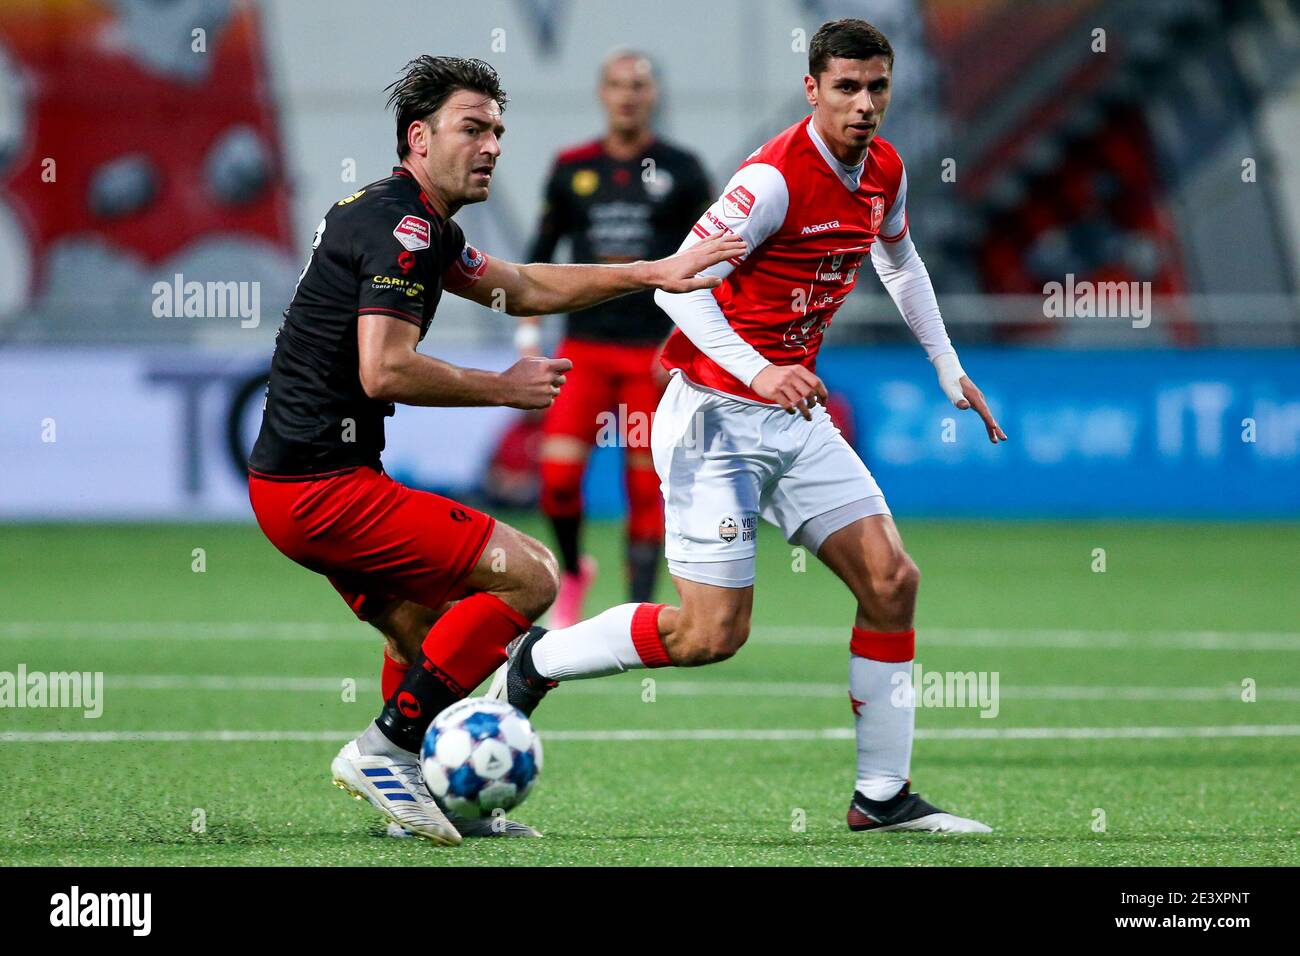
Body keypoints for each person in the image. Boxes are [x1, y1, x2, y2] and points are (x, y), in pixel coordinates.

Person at [492, 19, 1007, 834]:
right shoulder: (770, 180)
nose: (864, 104)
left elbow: (899, 262)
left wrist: (947, 367)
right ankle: (535, 659)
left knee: (892, 581)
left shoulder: (886, 171)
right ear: (813, 89)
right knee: (708, 636)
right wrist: (761, 368)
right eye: (846, 87)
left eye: (877, 87)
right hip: (714, 419)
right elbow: (677, 289)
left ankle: (882, 797)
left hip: (792, 418)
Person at [245, 55, 743, 845]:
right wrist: (503, 386)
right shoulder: (404, 229)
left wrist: (653, 271)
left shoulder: (412, 219)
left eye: (498, 131)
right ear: (420, 136)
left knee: (426, 629)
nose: (492, 145)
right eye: (473, 128)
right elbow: (384, 369)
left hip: (298, 482)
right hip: (320, 488)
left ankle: (418, 801)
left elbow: (525, 285)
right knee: (532, 575)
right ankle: (388, 749)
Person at [518, 50, 713, 625]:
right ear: (601, 94)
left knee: (645, 488)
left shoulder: (683, 170)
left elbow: (714, 263)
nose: (628, 94)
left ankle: (637, 611)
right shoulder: (572, 167)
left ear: (653, 95)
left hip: (650, 355)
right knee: (555, 479)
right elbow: (537, 259)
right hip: (583, 352)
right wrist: (527, 338)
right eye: (617, 85)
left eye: (639, 85)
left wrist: (687, 343)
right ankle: (575, 569)